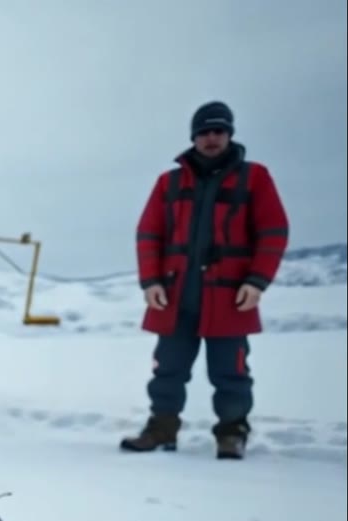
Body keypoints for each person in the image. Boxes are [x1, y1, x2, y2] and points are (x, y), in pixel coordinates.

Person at [120, 102, 288, 460]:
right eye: (204, 132)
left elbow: (273, 232)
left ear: (229, 134)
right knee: (167, 369)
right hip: (176, 294)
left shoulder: (253, 178)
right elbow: (149, 233)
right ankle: (161, 429)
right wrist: (151, 282)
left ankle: (231, 432)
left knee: (231, 371)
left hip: (230, 296)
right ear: (193, 136)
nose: (212, 138)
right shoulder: (170, 183)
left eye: (219, 131)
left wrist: (257, 282)